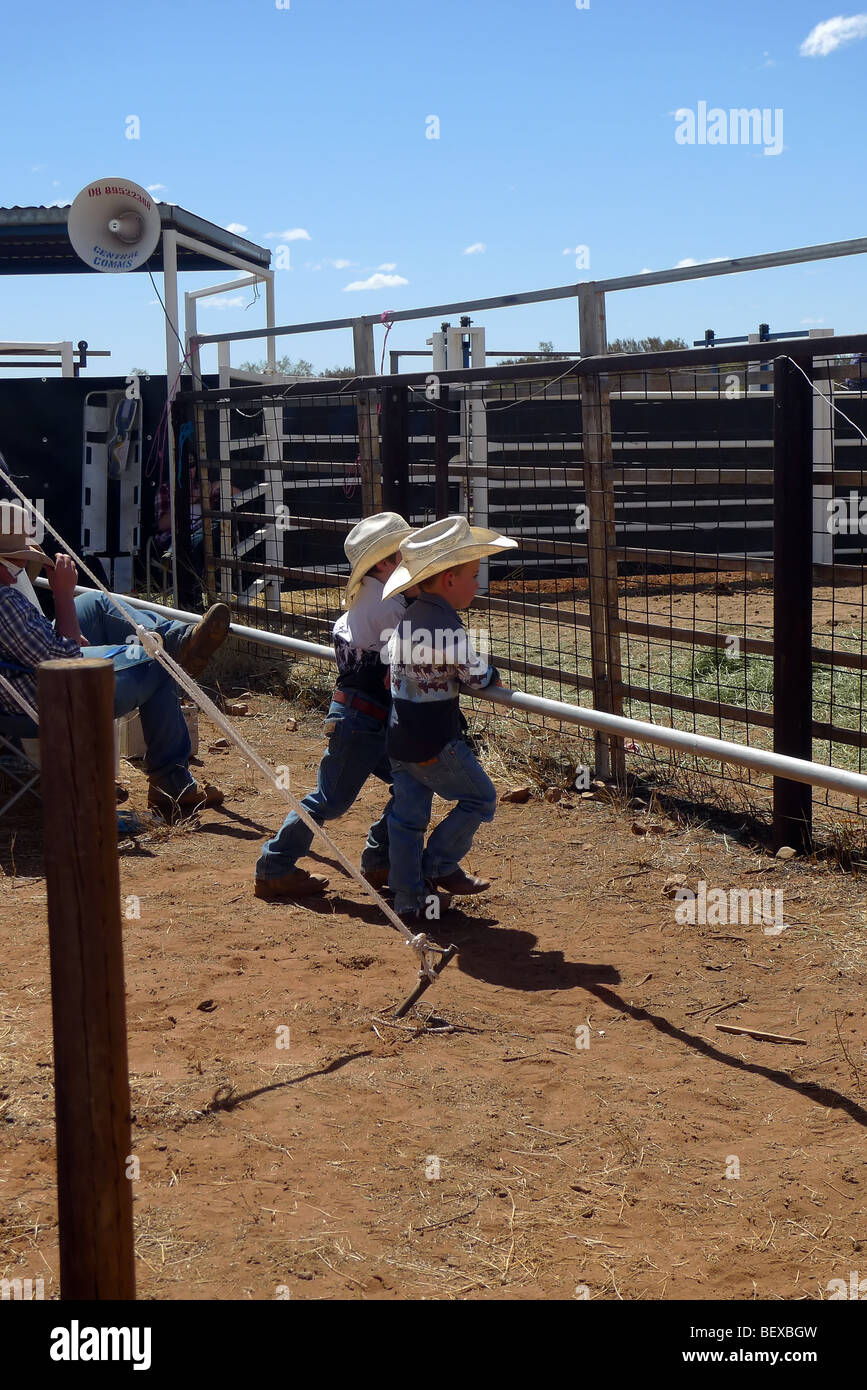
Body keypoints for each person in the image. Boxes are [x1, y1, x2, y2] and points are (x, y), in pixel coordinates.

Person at [0, 502, 230, 820]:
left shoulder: (7, 599)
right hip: (49, 697)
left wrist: (58, 636)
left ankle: (181, 641)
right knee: (158, 656)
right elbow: (67, 666)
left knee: (94, 603)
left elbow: (48, 649)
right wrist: (63, 596)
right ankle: (170, 780)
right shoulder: (6, 602)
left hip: (22, 676)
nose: (22, 570)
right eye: (18, 562)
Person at [254, 511, 416, 899]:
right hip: (364, 718)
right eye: (404, 553)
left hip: (361, 714)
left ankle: (381, 859)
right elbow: (404, 663)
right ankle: (274, 865)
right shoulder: (387, 604)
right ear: (384, 562)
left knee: (409, 783)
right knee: (332, 798)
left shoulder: (371, 597)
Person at [381, 514, 518, 923]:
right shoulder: (447, 627)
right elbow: (477, 675)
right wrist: (493, 674)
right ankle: (439, 863)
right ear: (449, 580)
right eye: (473, 575)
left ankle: (407, 896)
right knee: (481, 798)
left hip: (399, 737)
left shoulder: (409, 618)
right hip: (436, 741)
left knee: (406, 818)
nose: (478, 583)